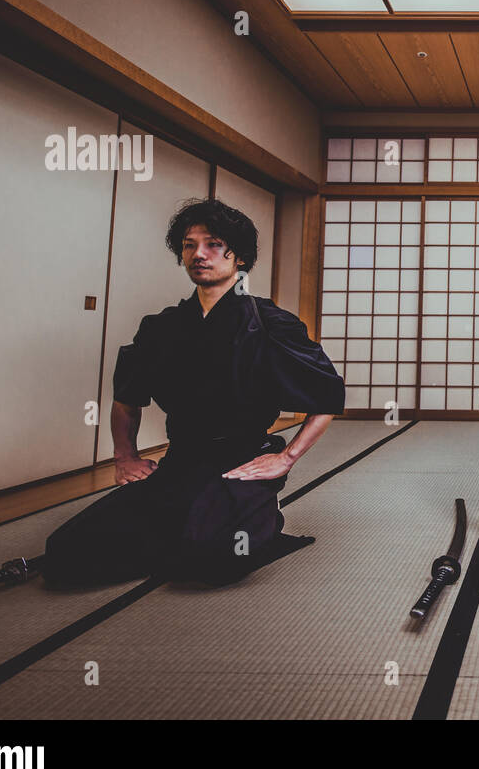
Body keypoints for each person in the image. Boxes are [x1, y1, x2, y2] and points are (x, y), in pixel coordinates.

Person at [43, 199, 344, 587]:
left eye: (213, 243)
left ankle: (258, 513)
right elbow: (126, 398)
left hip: (243, 463)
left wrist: (286, 458)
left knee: (212, 559)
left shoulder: (271, 324)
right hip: (180, 463)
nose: (198, 254)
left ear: (239, 257)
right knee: (65, 555)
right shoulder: (161, 327)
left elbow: (327, 396)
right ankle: (186, 523)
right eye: (189, 244)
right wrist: (125, 456)